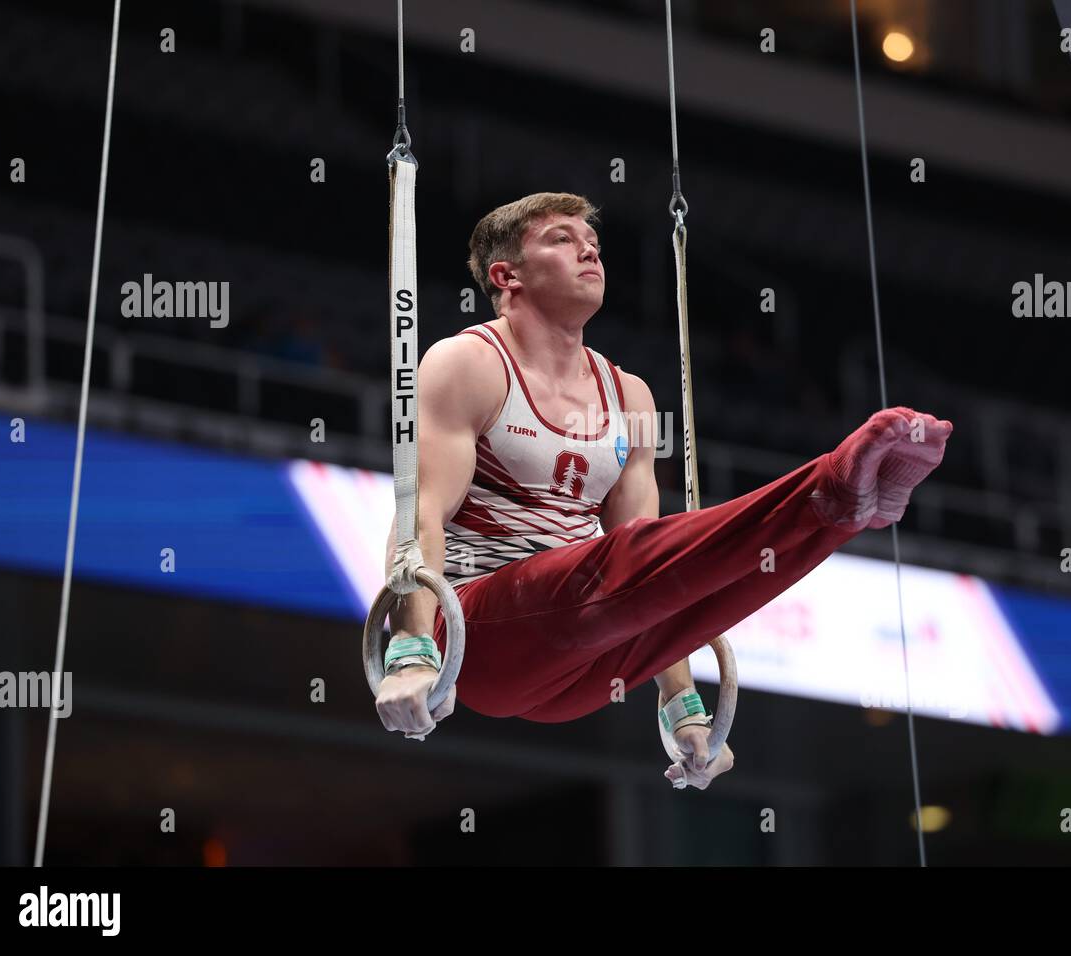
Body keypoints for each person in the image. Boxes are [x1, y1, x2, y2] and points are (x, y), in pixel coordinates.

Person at [376, 192, 953, 790]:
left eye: (591, 239)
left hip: (583, 667)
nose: (587, 248)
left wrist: (683, 709)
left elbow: (649, 568)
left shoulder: (635, 398)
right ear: (506, 276)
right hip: (483, 637)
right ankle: (828, 486)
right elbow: (418, 513)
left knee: (717, 587)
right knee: (615, 564)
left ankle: (846, 514)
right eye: (560, 239)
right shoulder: (463, 363)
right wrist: (411, 652)